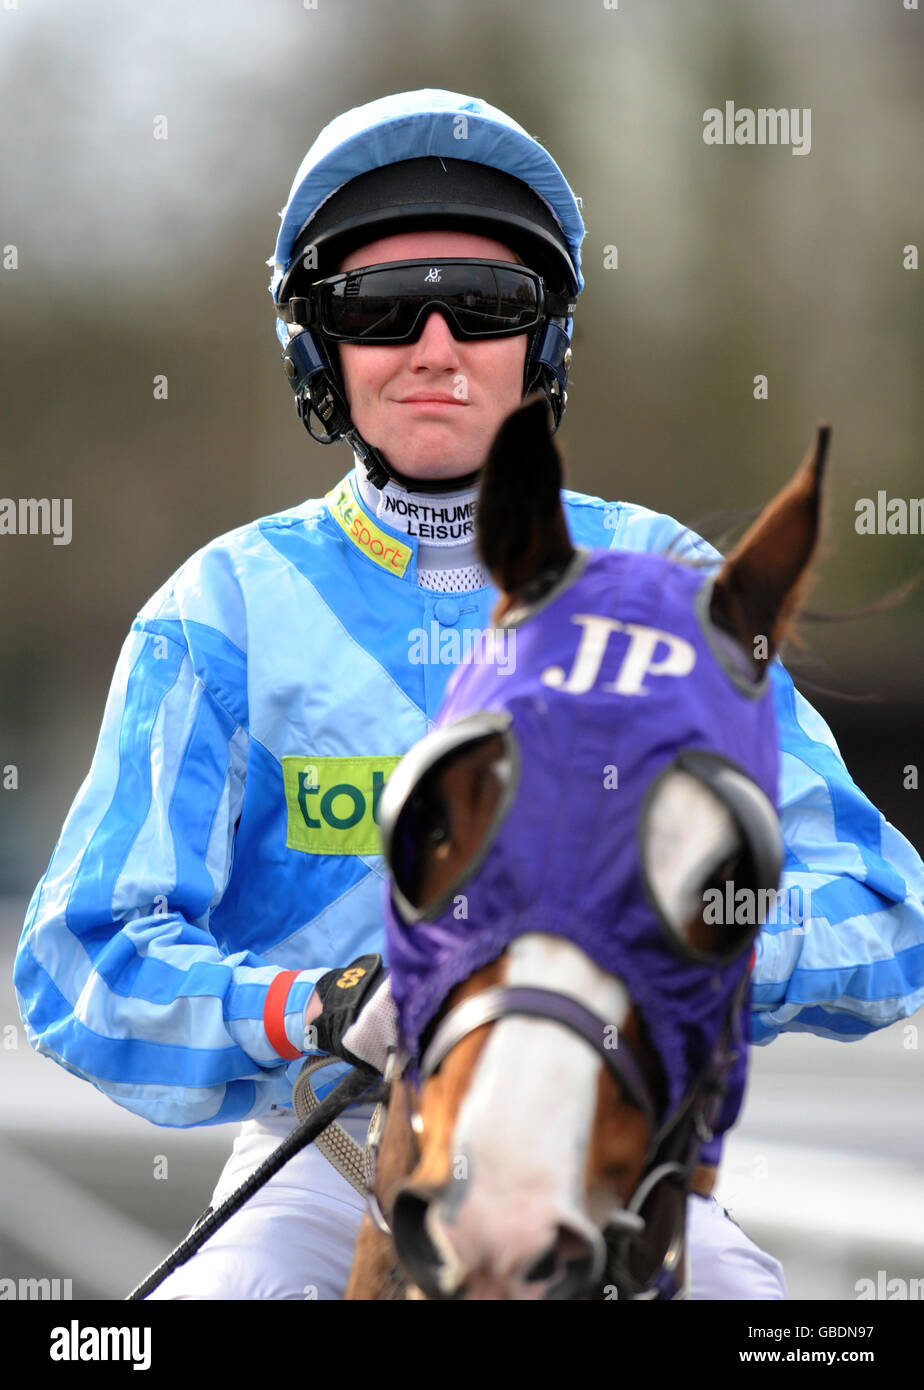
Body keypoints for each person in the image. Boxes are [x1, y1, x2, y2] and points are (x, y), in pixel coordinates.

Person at [13, 88, 924, 1301]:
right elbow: (79, 964)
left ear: (540, 341)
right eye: (382, 309)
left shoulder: (668, 586)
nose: (435, 347)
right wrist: (313, 1004)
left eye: (485, 305)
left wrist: (652, 961)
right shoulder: (219, 609)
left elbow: (887, 914)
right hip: (319, 1161)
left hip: (605, 1159)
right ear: (319, 347)